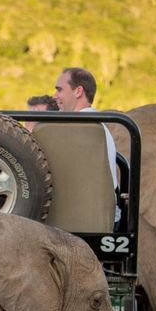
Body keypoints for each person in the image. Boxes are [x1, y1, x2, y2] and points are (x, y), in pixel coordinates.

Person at [53, 67, 120, 226]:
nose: (54, 96)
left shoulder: (83, 128)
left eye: (60, 90)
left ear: (78, 91)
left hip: (82, 221)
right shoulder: (94, 126)